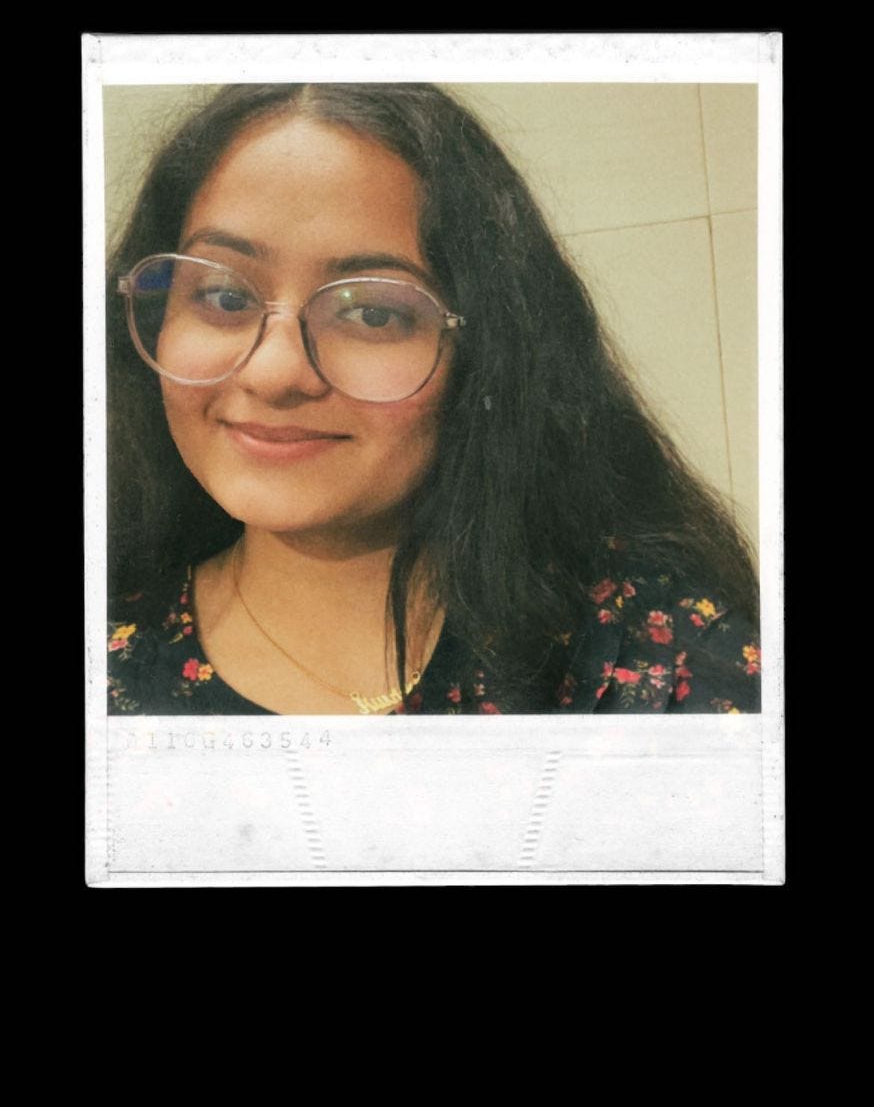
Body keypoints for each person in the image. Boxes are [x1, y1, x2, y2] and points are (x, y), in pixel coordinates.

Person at [106, 82, 761, 717]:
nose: (275, 373)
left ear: (485, 352)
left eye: (371, 313)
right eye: (223, 297)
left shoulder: (660, 663)